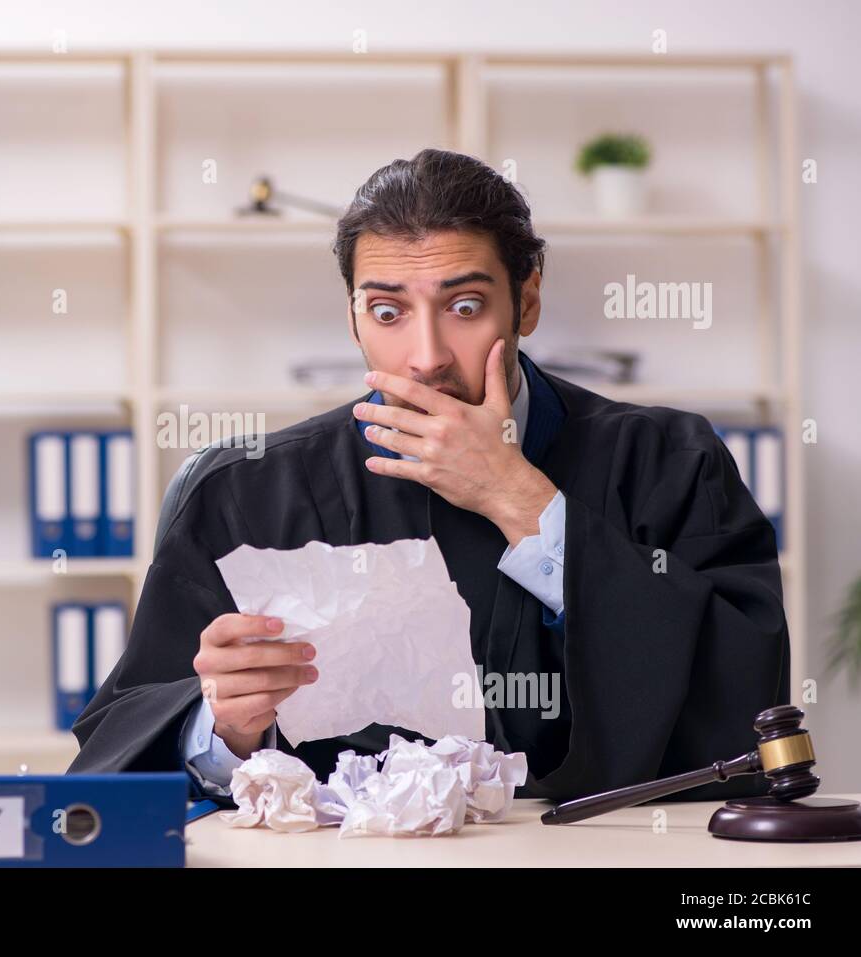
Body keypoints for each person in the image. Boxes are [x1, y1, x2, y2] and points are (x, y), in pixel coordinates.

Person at [67, 148, 789, 806]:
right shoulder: (246, 492)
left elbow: (748, 718)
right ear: (353, 318)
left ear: (527, 299)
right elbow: (116, 748)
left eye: (465, 306)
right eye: (388, 311)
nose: (426, 356)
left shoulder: (669, 462)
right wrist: (224, 726)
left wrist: (526, 504)